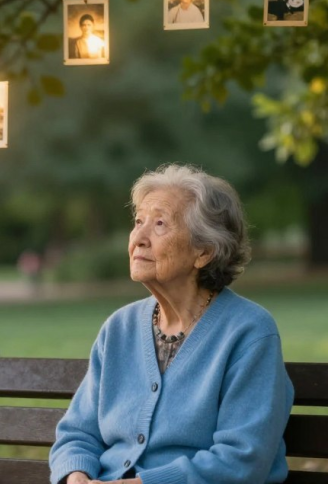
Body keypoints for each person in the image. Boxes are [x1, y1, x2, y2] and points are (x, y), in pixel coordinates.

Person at [49, 164, 294, 484]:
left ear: (203, 252)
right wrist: (76, 476)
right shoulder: (119, 328)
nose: (138, 238)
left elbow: (241, 459)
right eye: (138, 222)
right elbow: (77, 434)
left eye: (160, 224)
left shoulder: (249, 332)